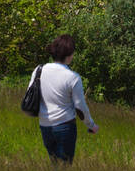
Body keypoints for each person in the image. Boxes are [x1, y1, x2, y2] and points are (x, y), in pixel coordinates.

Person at [27, 34, 97, 164]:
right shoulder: (73, 77)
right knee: (65, 167)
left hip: (45, 125)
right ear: (69, 54)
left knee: (54, 164)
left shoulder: (39, 70)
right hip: (65, 126)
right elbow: (80, 108)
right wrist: (91, 125)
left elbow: (30, 93)